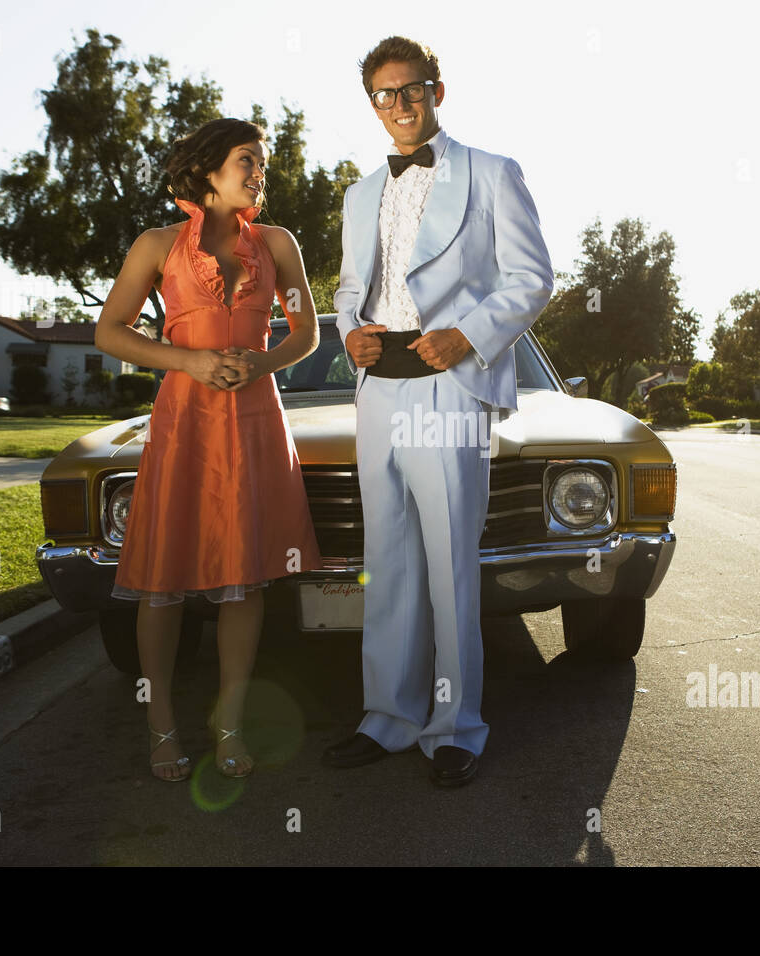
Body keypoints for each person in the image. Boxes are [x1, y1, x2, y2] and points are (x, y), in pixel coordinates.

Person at [327, 37, 554, 787]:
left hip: (450, 386)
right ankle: (387, 716)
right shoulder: (360, 193)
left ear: (438, 90)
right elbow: (348, 286)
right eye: (385, 94)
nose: (399, 104)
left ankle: (456, 724)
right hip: (378, 391)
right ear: (373, 104)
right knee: (387, 562)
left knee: (450, 562)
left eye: (411, 88)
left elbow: (531, 279)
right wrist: (348, 330)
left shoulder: (492, 173)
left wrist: (469, 335)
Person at [95, 118, 322, 782]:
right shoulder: (156, 245)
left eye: (262, 162)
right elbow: (110, 331)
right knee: (161, 580)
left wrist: (260, 364)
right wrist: (186, 360)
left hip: (253, 417)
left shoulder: (278, 243)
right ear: (208, 172)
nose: (259, 172)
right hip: (184, 418)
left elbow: (305, 332)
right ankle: (161, 726)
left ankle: (228, 725)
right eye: (247, 160)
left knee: (240, 579)